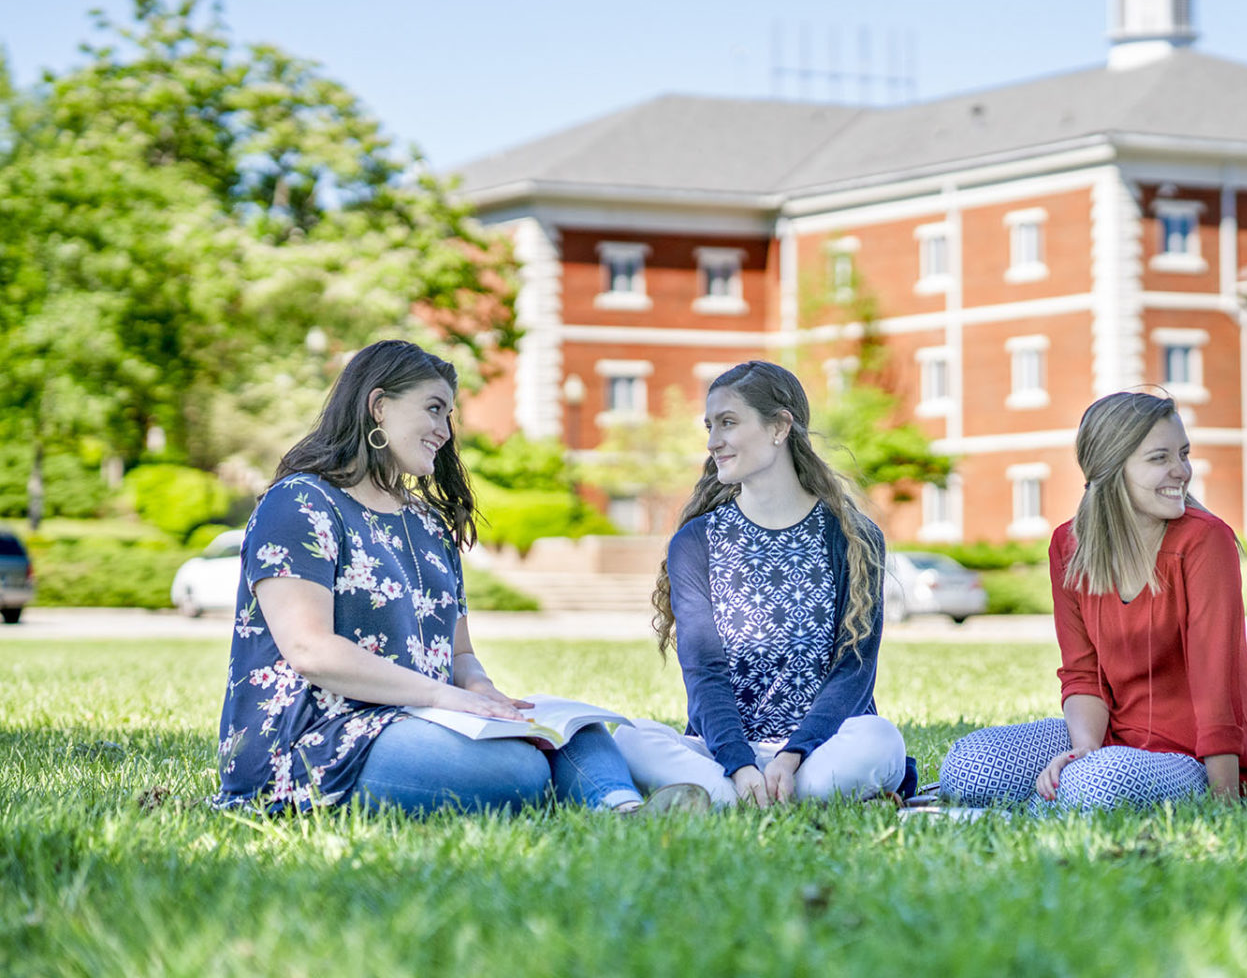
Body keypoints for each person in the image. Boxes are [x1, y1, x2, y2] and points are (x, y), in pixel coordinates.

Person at [213, 339, 705, 816]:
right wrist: (445, 696)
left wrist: (481, 689)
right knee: (518, 770)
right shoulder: (300, 503)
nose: (445, 431)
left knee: (576, 728)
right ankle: (561, 788)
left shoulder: (428, 525)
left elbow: (459, 653)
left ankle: (623, 811)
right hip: (317, 740)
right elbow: (311, 651)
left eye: (448, 414)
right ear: (378, 406)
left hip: (418, 717)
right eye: (433, 409)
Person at [937, 391, 1247, 810]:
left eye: (1183, 454)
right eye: (1160, 458)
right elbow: (1082, 673)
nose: (1182, 471)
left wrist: (1227, 800)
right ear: (1112, 467)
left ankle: (1049, 805)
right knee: (967, 767)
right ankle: (1066, 791)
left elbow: (1216, 684)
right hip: (1110, 740)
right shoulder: (1068, 545)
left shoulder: (1205, 540)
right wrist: (1084, 749)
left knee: (1093, 784)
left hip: (1196, 759)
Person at [613, 360, 908, 807]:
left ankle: (728, 797)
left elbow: (854, 670)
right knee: (628, 737)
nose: (713, 442)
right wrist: (740, 764)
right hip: (725, 755)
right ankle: (745, 790)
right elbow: (704, 672)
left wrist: (791, 756)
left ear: (779, 427)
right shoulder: (695, 541)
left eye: (728, 423)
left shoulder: (852, 536)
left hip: (822, 750)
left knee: (880, 738)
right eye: (710, 426)